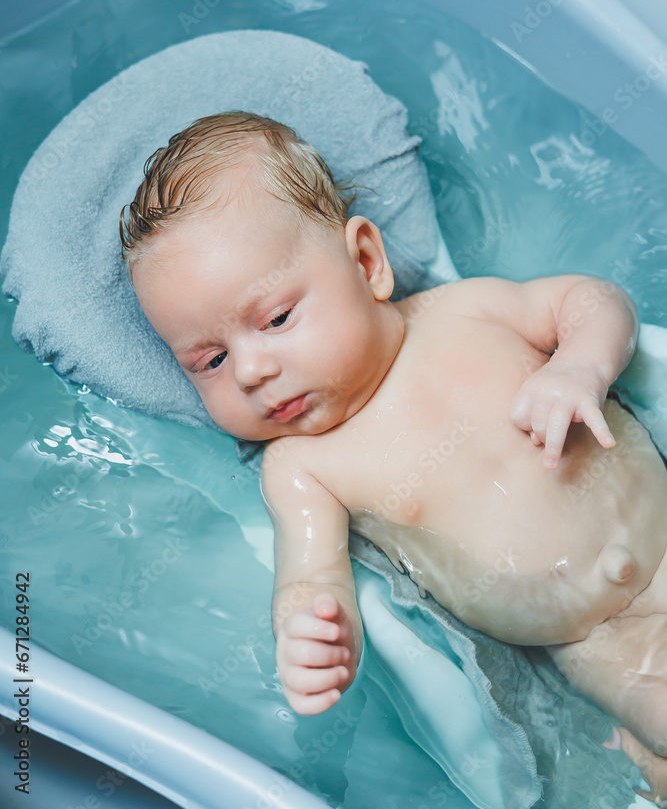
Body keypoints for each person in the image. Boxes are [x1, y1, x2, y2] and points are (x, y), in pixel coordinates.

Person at [120, 110, 667, 804]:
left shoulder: (468, 311)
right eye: (210, 360)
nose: (252, 370)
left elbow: (593, 300)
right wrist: (311, 634)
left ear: (366, 263)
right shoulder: (305, 467)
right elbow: (309, 575)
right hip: (597, 639)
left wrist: (579, 368)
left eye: (278, 318)